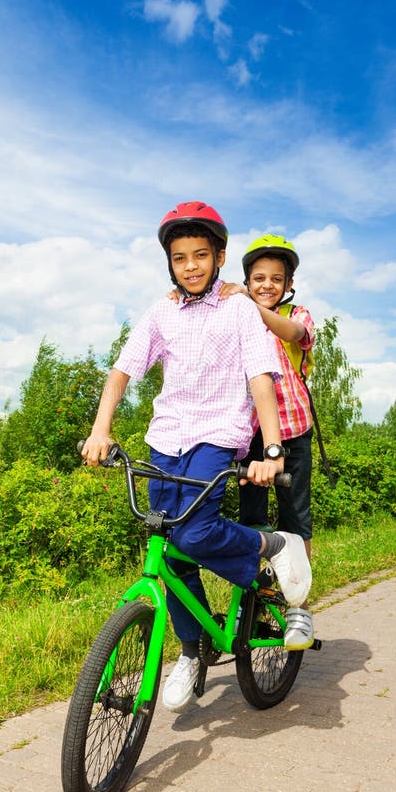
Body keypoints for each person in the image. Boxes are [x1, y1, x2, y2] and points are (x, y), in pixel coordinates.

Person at [82, 202, 312, 713]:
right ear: (170, 263)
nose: (190, 266)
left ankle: (272, 544)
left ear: (219, 257)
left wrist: (273, 450)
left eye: (201, 255)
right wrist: (101, 429)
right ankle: (192, 650)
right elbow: (122, 370)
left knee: (194, 533)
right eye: (180, 257)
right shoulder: (161, 311)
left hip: (217, 435)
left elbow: (261, 378)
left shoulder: (239, 310)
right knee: (168, 549)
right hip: (165, 439)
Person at [220, 234, 315, 648]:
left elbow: (292, 332)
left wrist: (249, 305)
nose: (267, 285)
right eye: (258, 278)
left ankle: (299, 607)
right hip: (251, 434)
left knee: (296, 519)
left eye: (277, 279)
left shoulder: (297, 314)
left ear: (288, 284)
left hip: (293, 432)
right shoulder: (235, 313)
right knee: (252, 519)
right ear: (247, 279)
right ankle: (252, 598)